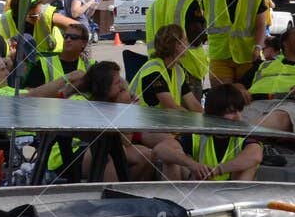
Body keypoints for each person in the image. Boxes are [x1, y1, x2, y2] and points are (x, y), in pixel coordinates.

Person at [76, 61, 212, 182]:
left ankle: (175, 186)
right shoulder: (97, 108)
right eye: (118, 84)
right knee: (140, 155)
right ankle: (117, 195)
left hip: (132, 136)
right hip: (93, 152)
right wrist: (127, 109)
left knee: (171, 144)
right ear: (105, 88)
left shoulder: (122, 98)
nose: (123, 85)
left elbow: (134, 134)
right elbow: (123, 141)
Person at [203, 0, 270, 87]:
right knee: (223, 96)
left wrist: (258, 47)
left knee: (245, 97)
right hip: (219, 55)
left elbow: (260, 25)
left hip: (246, 55)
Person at [187, 84, 263, 180]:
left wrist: (217, 170)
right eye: (231, 112)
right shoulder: (196, 134)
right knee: (174, 163)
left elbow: (255, 155)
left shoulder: (243, 134)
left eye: (240, 111)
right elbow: (168, 148)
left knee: (249, 165)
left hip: (231, 188)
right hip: (198, 187)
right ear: (213, 114)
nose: (239, 117)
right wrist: (191, 164)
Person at [133, 23, 203, 112]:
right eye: (185, 40)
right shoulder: (154, 70)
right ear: (177, 45)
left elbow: (193, 103)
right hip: (138, 119)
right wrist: (193, 118)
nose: (188, 43)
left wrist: (206, 118)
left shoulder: (178, 71)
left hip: (159, 119)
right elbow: (171, 107)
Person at [24, 23, 90, 88]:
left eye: (73, 37)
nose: (68, 39)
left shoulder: (90, 66)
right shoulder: (43, 64)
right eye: (65, 36)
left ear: (84, 43)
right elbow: (29, 91)